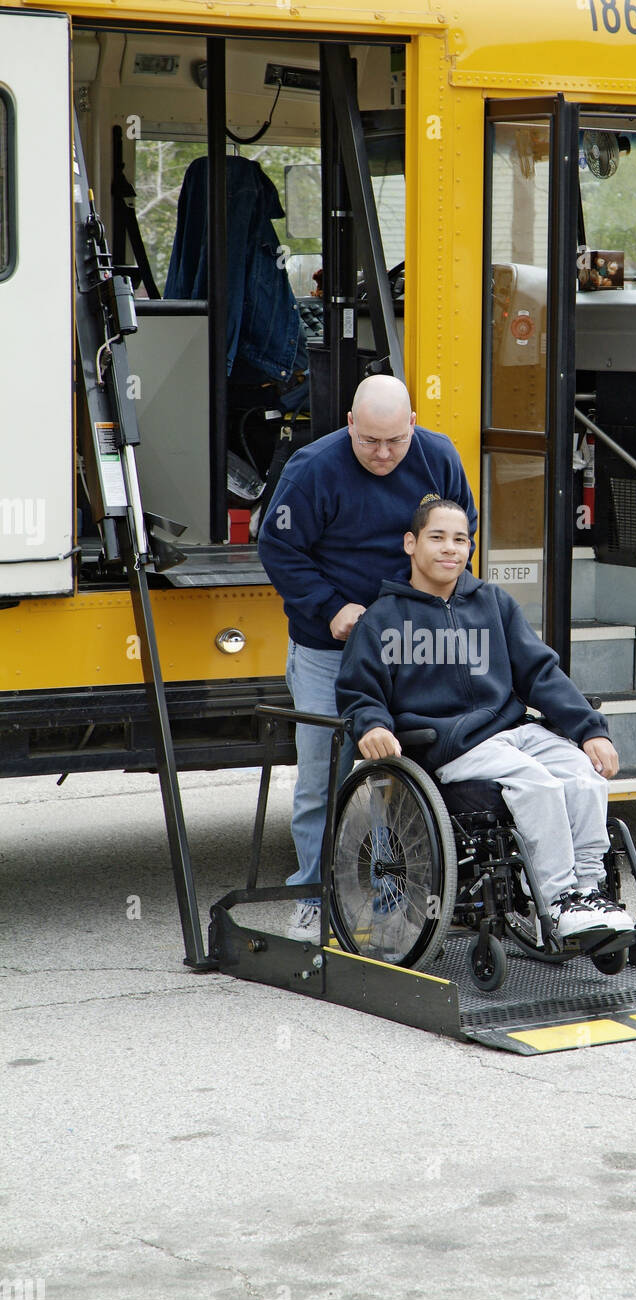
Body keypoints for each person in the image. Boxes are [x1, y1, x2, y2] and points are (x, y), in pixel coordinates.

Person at [335, 498, 633, 939]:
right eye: (437, 538)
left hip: (513, 730)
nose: (450, 548)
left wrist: (589, 730)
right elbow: (360, 692)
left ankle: (588, 893)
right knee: (539, 784)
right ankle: (558, 899)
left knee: (582, 773)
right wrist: (373, 725)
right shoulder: (382, 619)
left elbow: (541, 673)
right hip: (452, 745)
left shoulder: (492, 602)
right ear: (410, 544)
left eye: (461, 539)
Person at [258, 379, 477, 940]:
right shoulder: (312, 469)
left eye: (395, 442)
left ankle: (390, 900)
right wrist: (329, 607)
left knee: (397, 772)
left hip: (408, 645)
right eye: (370, 440)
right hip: (328, 646)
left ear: (414, 425)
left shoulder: (439, 457)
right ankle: (311, 895)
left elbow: (458, 537)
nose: (383, 454)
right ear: (350, 421)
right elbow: (277, 547)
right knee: (322, 776)